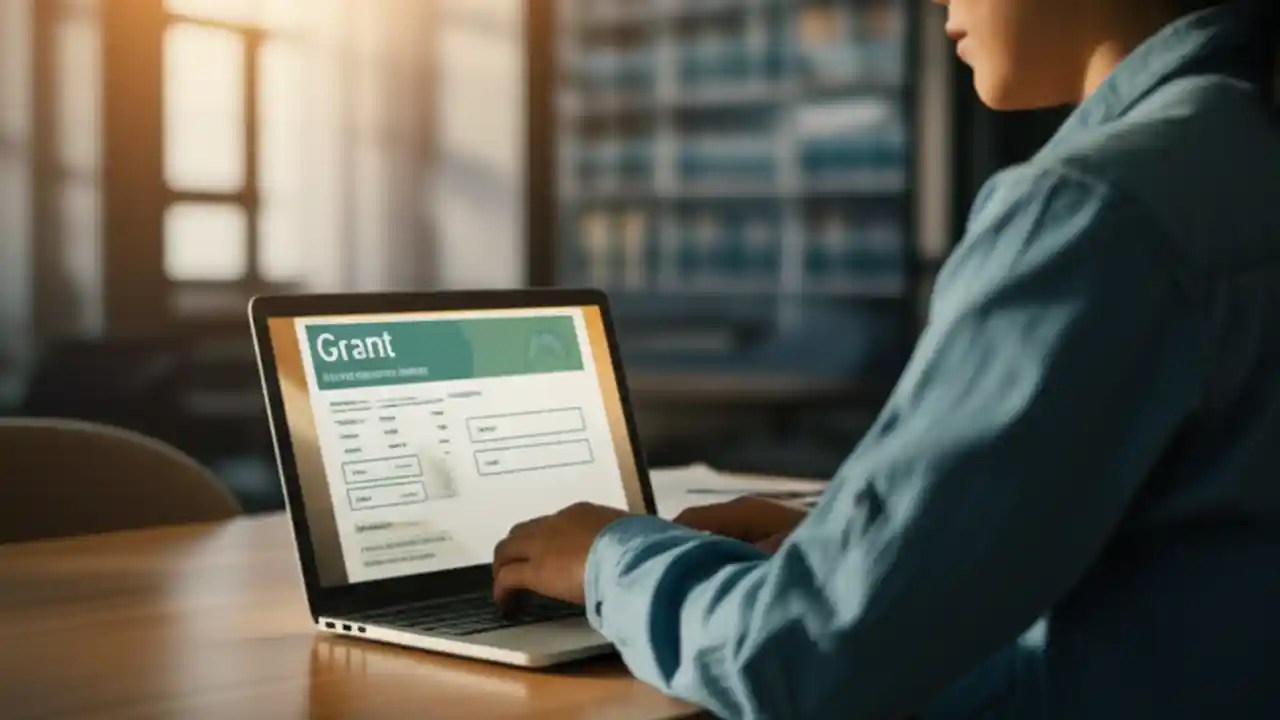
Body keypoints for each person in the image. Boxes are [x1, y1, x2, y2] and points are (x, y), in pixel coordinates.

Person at [492, 0, 1280, 716]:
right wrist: (872, 545)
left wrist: (609, 561)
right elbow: (1167, 599)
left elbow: (801, 661)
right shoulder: (1236, 153)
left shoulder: (1094, 211)